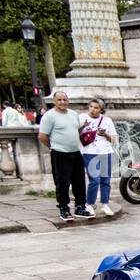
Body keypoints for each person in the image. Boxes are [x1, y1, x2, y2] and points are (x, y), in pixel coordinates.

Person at [37, 92, 89, 221]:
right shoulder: (49, 116)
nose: (62, 102)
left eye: (64, 99)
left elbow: (76, 130)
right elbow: (42, 136)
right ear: (54, 101)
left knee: (79, 181)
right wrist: (54, 146)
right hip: (60, 153)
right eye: (59, 100)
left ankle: (80, 206)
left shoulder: (73, 114)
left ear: (68, 101)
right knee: (62, 182)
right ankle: (64, 208)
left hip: (76, 152)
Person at [79, 98, 118, 216]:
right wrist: (83, 126)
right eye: (91, 106)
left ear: (101, 110)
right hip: (89, 152)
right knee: (94, 180)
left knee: (105, 179)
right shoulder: (81, 117)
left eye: (96, 108)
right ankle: (89, 204)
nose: (93, 110)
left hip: (106, 152)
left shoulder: (107, 120)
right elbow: (74, 132)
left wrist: (105, 134)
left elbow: (114, 139)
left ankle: (105, 204)